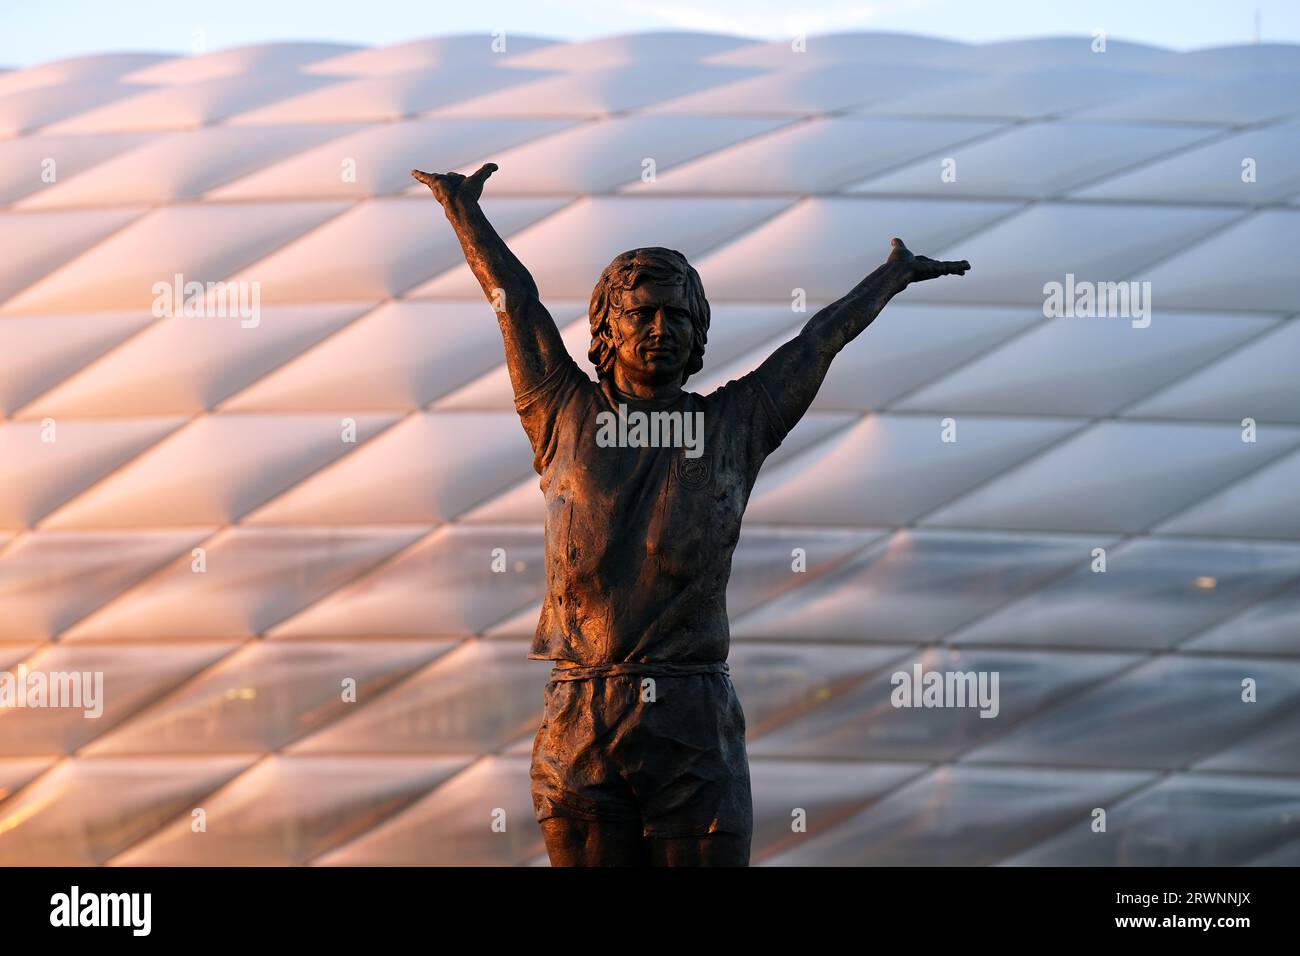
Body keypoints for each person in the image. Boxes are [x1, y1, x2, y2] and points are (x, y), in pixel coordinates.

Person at [414, 161, 971, 866]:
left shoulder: (736, 422)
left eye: (677, 315)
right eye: (640, 312)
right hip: (582, 711)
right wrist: (464, 212)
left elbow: (818, 341)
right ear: (605, 330)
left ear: (698, 331)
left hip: (691, 712)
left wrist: (890, 278)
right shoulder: (562, 411)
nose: (660, 328)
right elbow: (516, 302)